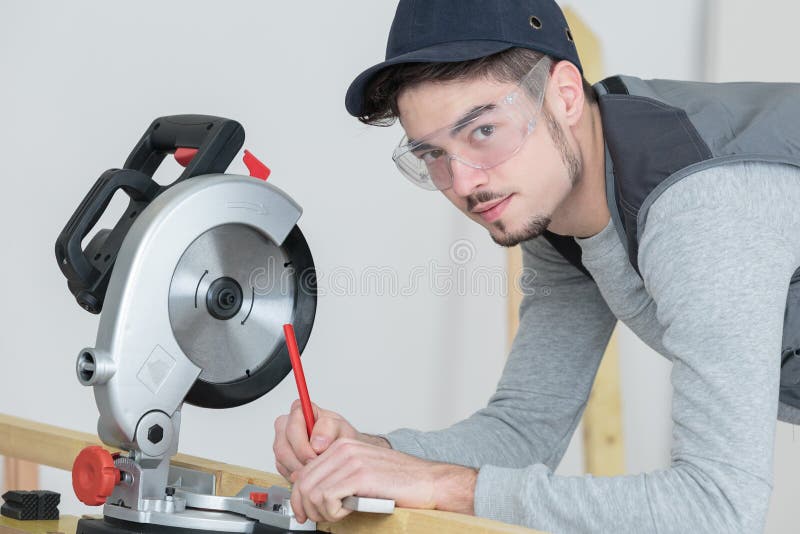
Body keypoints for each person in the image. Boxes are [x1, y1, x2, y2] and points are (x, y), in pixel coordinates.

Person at [272, 1, 800, 531]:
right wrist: (376, 455)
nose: (463, 183)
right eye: (433, 154)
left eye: (482, 132)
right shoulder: (561, 205)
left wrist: (442, 486)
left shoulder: (700, 205)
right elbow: (526, 432)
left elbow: (719, 510)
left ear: (565, 95)